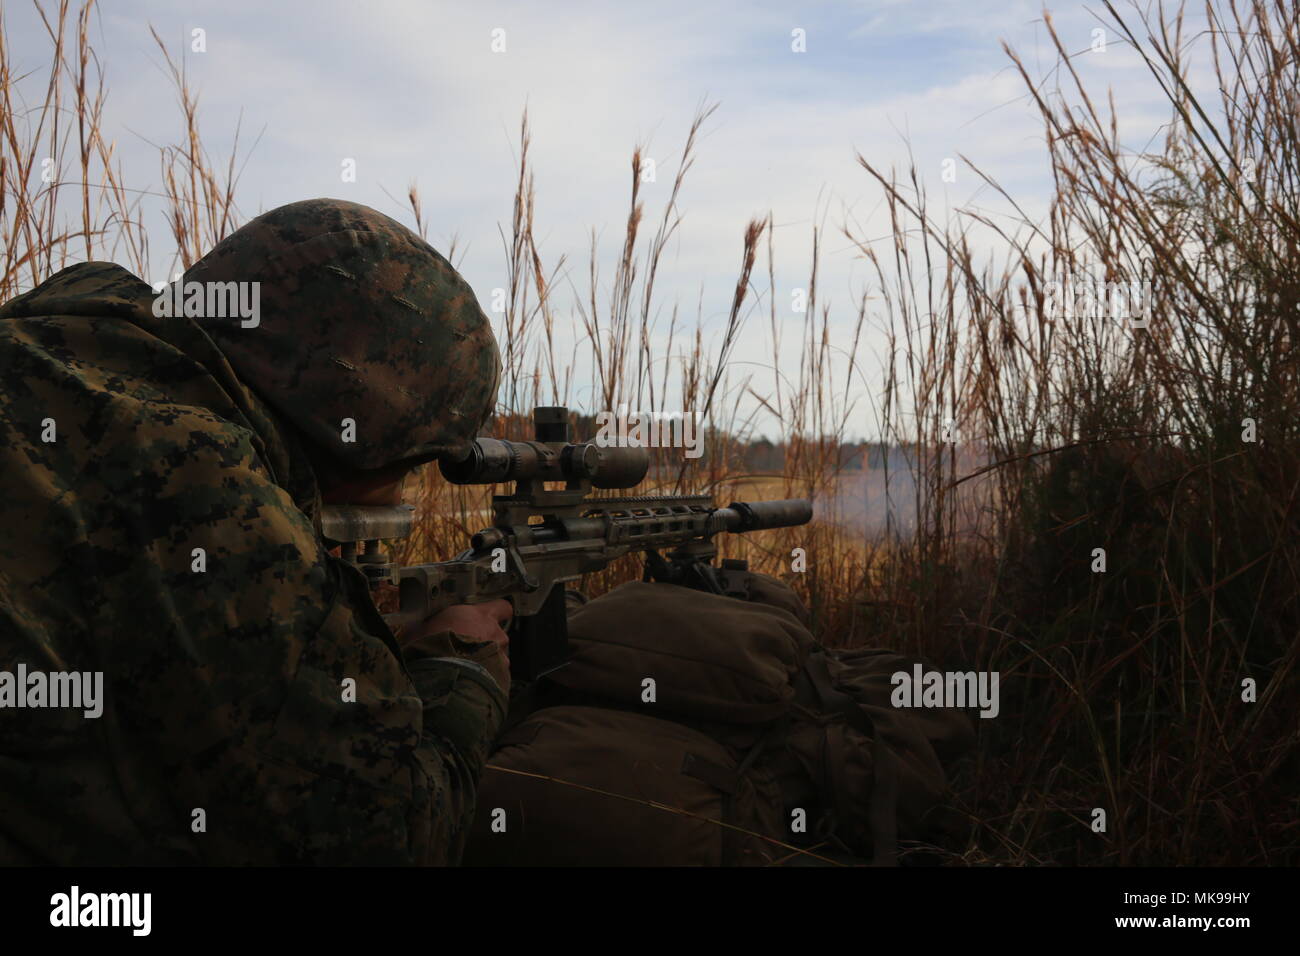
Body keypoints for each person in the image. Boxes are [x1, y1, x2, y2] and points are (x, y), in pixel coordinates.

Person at [0, 198, 511, 864]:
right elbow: (380, 837)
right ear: (353, 433)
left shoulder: (54, 350)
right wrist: (463, 675)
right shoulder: (206, 489)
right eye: (406, 466)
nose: (401, 490)